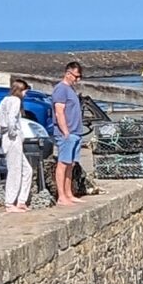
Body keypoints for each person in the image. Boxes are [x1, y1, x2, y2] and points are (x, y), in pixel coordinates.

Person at [0, 76, 32, 212]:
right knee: (15, 170)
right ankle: (10, 202)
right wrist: (13, 133)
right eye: (25, 91)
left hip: (6, 138)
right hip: (12, 139)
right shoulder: (16, 100)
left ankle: (21, 200)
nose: (25, 94)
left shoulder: (5, 100)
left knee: (27, 170)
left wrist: (0, 131)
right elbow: (11, 120)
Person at [51, 58, 84, 206]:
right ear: (68, 73)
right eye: (76, 76)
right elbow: (59, 111)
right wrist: (65, 132)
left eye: (79, 77)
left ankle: (69, 193)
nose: (78, 79)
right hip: (67, 133)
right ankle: (61, 196)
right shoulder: (61, 89)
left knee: (71, 164)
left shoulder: (71, 90)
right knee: (63, 163)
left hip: (76, 132)